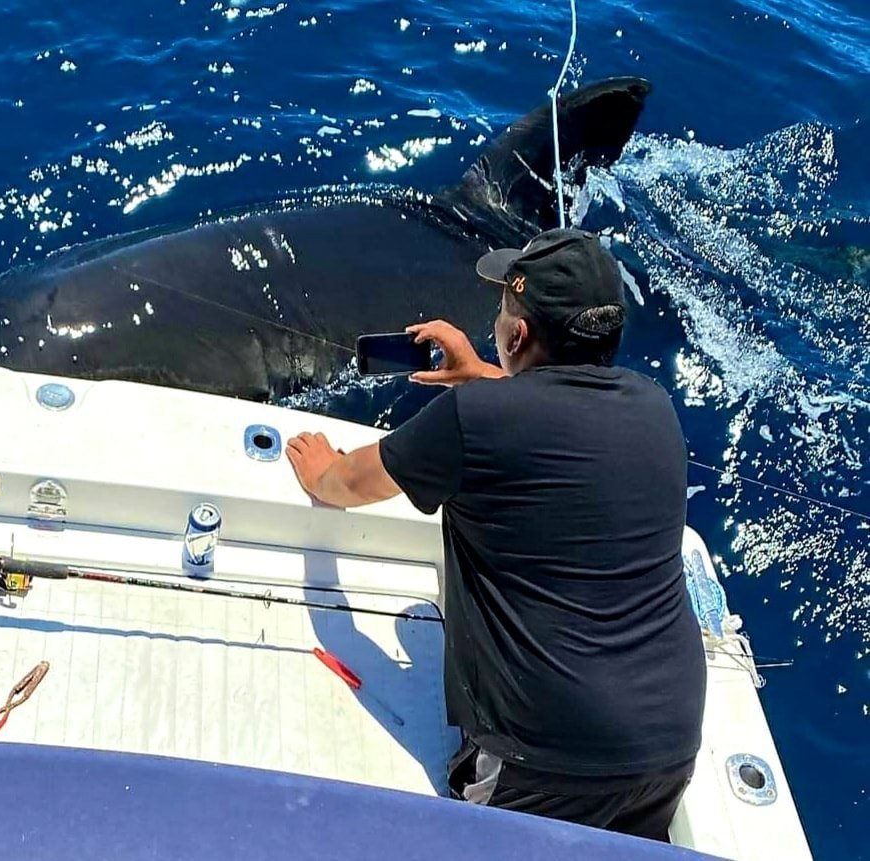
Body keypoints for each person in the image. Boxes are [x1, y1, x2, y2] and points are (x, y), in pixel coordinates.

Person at [285, 228, 706, 842]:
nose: (496, 321)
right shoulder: (655, 406)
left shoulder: (473, 419)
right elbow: (557, 409)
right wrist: (481, 374)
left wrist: (320, 468)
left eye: (505, 309)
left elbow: (348, 485)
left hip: (548, 766)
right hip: (669, 748)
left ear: (519, 335)